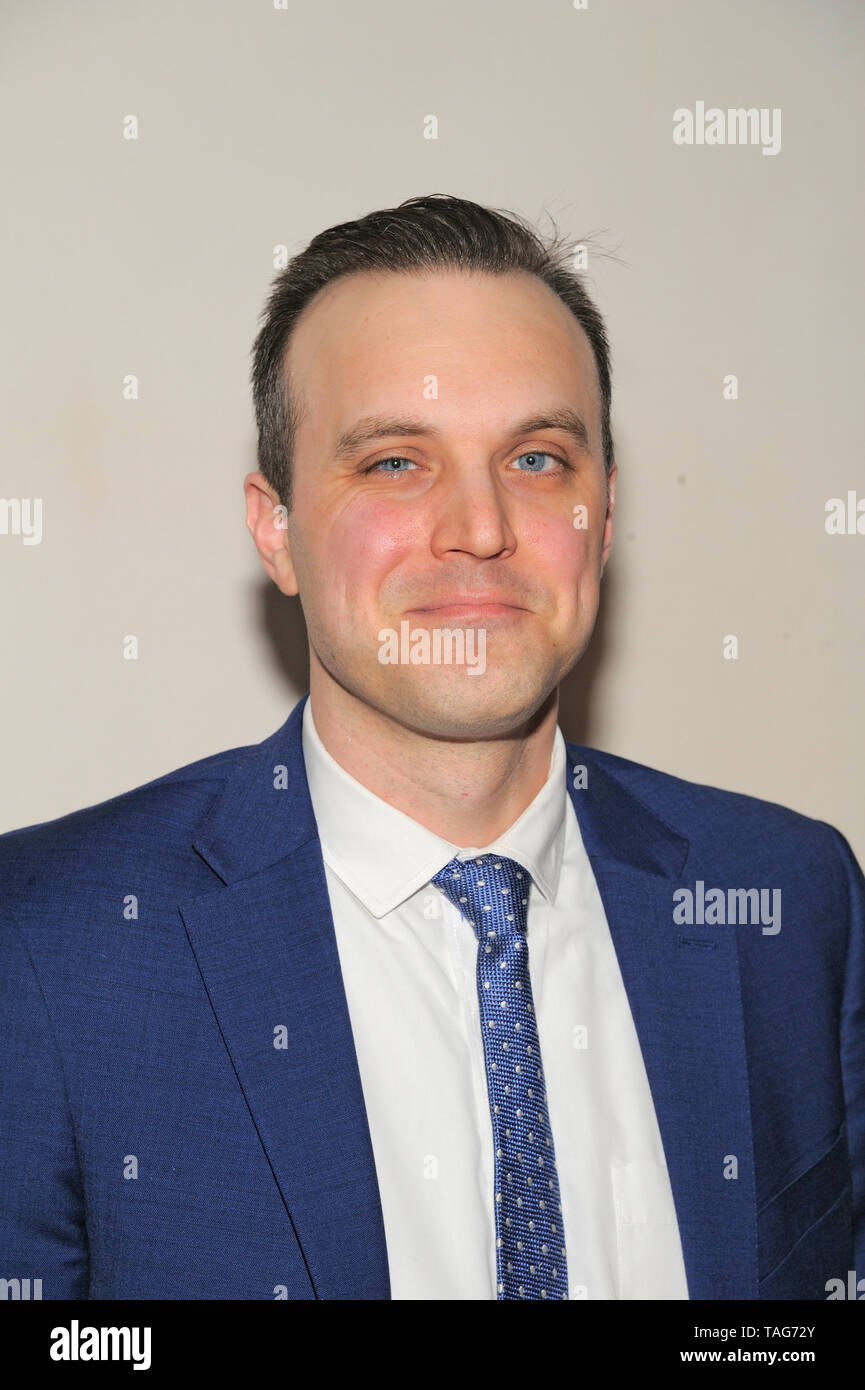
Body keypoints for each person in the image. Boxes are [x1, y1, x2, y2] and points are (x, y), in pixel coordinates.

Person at [1, 195, 861, 1301]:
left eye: (540, 459)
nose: (481, 524)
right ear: (276, 528)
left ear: (607, 512)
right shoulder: (45, 946)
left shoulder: (789, 902)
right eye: (396, 463)